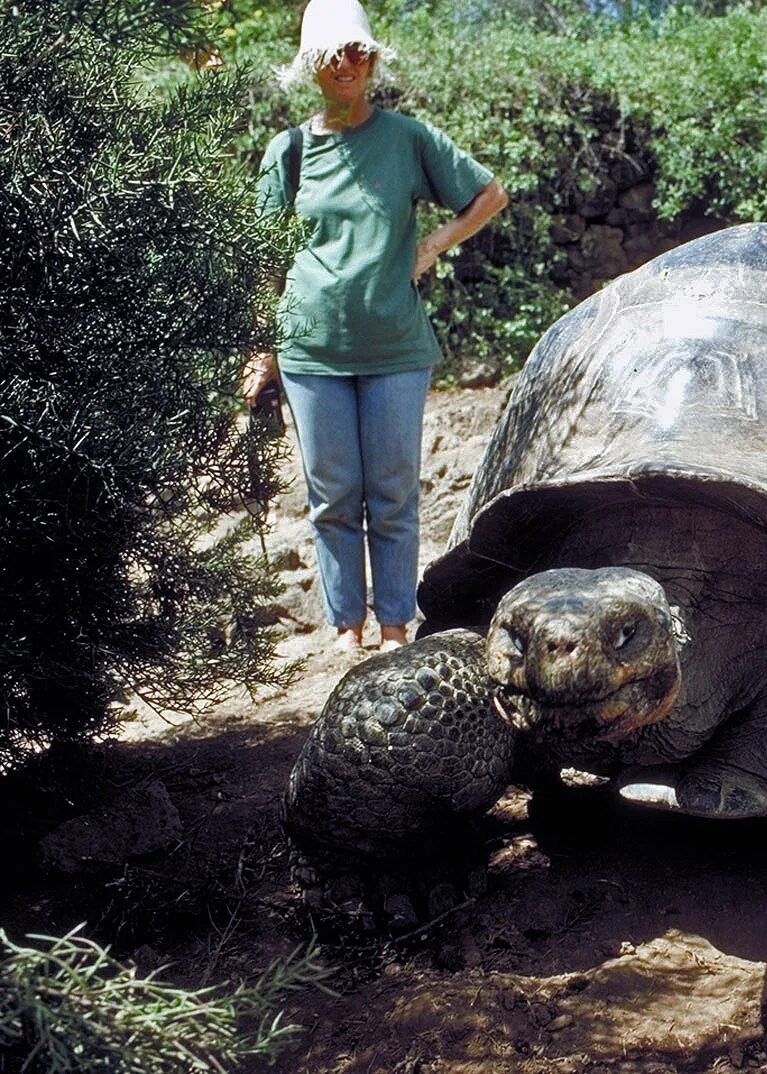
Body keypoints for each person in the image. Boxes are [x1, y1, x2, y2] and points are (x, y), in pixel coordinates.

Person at [244, 0, 507, 654]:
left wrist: (435, 244)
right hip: (309, 349)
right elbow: (260, 256)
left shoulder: (408, 140)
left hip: (395, 347)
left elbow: (488, 194)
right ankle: (344, 627)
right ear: (311, 64)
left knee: (392, 493)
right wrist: (259, 350)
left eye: (358, 51)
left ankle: (394, 626)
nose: (347, 64)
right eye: (334, 54)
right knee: (332, 497)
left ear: (374, 58)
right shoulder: (291, 151)